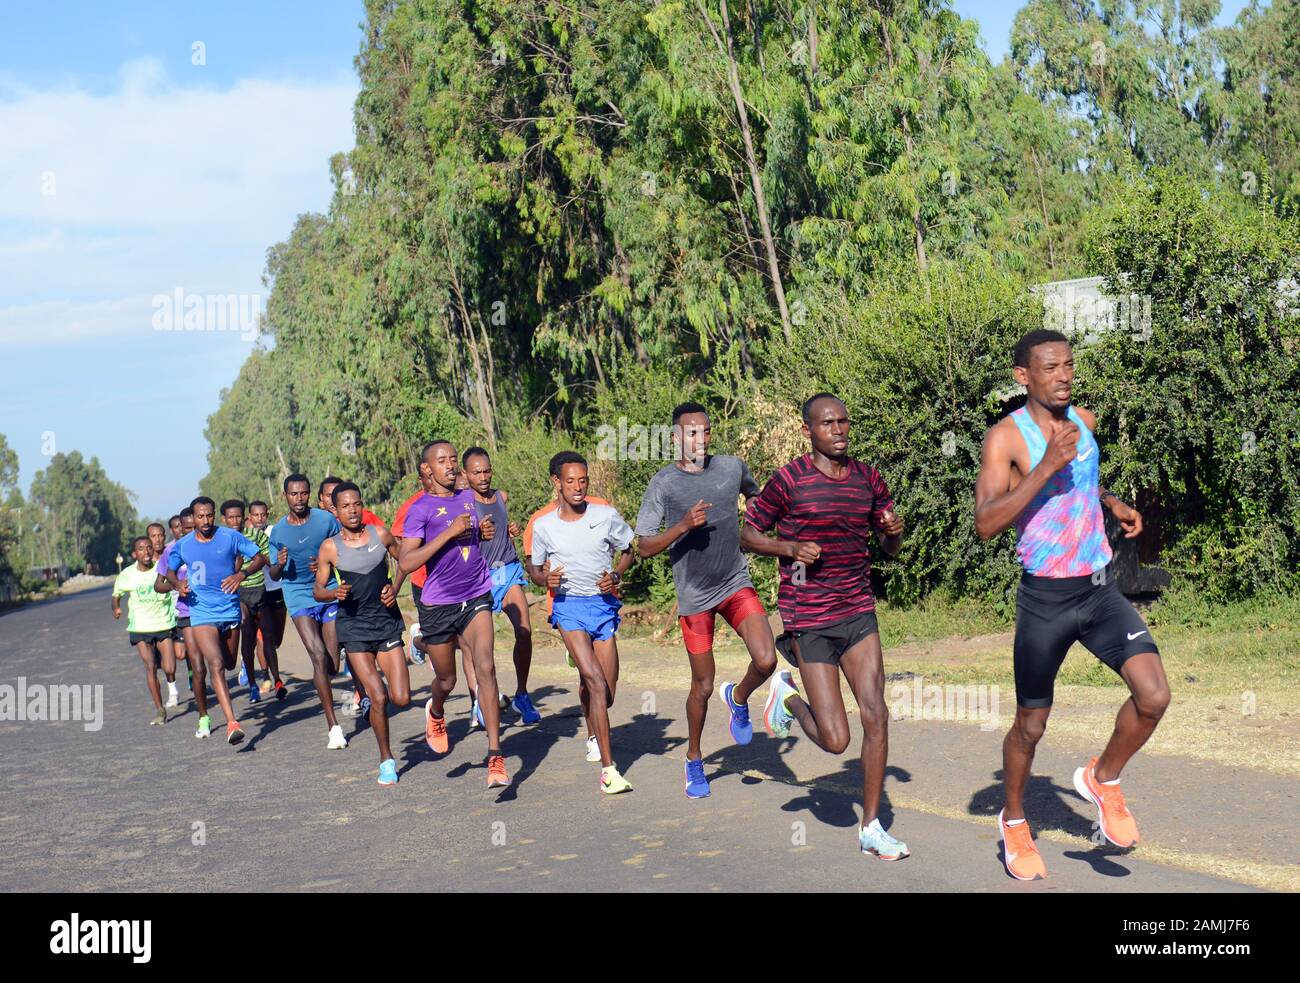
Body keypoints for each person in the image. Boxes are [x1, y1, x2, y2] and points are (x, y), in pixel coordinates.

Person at [974, 329, 1168, 881]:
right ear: (1023, 376)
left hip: (1098, 589)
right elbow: (985, 523)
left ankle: (1103, 778)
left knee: (1154, 695)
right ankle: (1015, 821)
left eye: (1068, 366)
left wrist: (1111, 501)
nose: (1063, 376)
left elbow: (1083, 482)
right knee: (1030, 726)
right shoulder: (1005, 439)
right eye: (1050, 367)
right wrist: (1043, 468)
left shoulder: (1084, 421)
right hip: (1046, 599)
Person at [742, 393, 910, 860]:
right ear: (808, 431)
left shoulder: (867, 478)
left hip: (857, 610)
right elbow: (748, 535)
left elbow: (889, 548)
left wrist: (893, 532)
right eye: (827, 423)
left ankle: (871, 827)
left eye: (843, 422)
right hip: (809, 616)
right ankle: (788, 697)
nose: (838, 430)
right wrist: (790, 548)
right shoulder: (789, 480)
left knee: (876, 714)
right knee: (837, 741)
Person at [635, 402, 778, 798]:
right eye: (692, 433)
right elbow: (644, 547)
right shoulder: (664, 484)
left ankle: (739, 697)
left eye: (706, 431)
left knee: (766, 659)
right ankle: (694, 758)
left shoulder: (731, 467)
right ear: (675, 438)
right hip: (695, 597)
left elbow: (756, 496)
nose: (701, 439)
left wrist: (760, 521)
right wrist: (682, 525)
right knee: (702, 685)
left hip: (734, 581)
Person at [397, 440, 510, 788]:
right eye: (442, 460)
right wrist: (449, 533)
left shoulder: (468, 498)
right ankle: (435, 710)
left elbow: (474, 535)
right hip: (438, 604)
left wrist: (481, 533)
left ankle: (495, 756)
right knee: (447, 680)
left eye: (452, 459)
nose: (450, 465)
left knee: (486, 668)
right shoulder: (420, 509)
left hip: (476, 593)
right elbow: (407, 561)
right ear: (427, 469)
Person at [529, 451, 635, 794]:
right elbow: (535, 569)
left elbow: (630, 550)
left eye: (583, 480)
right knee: (596, 683)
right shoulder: (544, 526)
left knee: (607, 694)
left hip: (603, 607)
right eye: (570, 481)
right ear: (556, 482)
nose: (578, 487)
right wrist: (545, 579)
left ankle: (583, 671)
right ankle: (609, 771)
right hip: (568, 608)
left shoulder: (605, 516)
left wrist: (615, 576)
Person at [314, 482, 410, 786]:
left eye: (356, 504)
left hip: (386, 621)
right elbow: (318, 590)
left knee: (401, 698)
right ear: (336, 511)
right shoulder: (330, 547)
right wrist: (333, 593)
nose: (352, 510)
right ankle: (386, 760)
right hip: (354, 627)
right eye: (345, 506)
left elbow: (405, 560)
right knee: (378, 696)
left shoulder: (380, 534)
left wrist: (394, 588)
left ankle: (416, 644)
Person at [159, 497, 267, 744]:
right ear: (193, 518)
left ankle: (237, 671)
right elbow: (170, 572)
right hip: (201, 612)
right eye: (200, 516)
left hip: (229, 610)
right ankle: (232, 723)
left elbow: (260, 558)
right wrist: (178, 584)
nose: (205, 520)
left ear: (215, 514)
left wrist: (241, 574)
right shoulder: (184, 545)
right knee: (215, 664)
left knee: (228, 663)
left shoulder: (230, 537)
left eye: (209, 515)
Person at [267, 474, 348, 750]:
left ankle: (333, 664)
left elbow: (343, 550)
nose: (299, 499)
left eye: (303, 493)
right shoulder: (279, 531)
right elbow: (274, 575)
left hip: (327, 589)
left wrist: (326, 564)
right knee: (317, 655)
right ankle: (333, 727)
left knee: (331, 664)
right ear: (285, 496)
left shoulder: (325, 521)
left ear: (310, 494)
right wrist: (278, 564)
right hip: (298, 595)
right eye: (293, 494)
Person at [463, 446, 540, 725]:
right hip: (477, 578)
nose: (483, 477)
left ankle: (522, 694)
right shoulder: (462, 505)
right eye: (476, 472)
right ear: (465, 475)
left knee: (524, 631)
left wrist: (510, 529)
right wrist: (476, 534)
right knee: (476, 647)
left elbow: (502, 526)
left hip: (506, 571)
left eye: (487, 471)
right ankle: (479, 701)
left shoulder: (501, 497)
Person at [220, 499, 286, 703]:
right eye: (230, 517)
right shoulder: (220, 541)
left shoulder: (256, 535)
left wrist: (258, 558)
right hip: (238, 594)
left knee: (269, 636)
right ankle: (252, 685)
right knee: (247, 636)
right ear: (224, 519)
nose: (235, 521)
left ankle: (277, 681)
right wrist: (235, 567)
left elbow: (268, 559)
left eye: (238, 517)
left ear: (244, 517)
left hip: (260, 590)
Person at [113, 535, 178, 725]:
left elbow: (175, 582)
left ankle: (169, 683)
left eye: (149, 547)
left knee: (170, 667)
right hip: (140, 626)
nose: (146, 552)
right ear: (135, 554)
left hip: (163, 623)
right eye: (141, 549)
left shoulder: (162, 568)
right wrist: (116, 608)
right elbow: (116, 595)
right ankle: (159, 709)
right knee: (150, 666)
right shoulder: (127, 574)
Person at [145, 521, 180, 708]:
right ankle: (172, 690)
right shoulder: (145, 562)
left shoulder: (171, 555)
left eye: (160, 535)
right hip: (154, 617)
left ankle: (190, 679)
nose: (157, 539)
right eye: (153, 536)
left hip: (176, 610)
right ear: (148, 539)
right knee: (159, 660)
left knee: (180, 653)